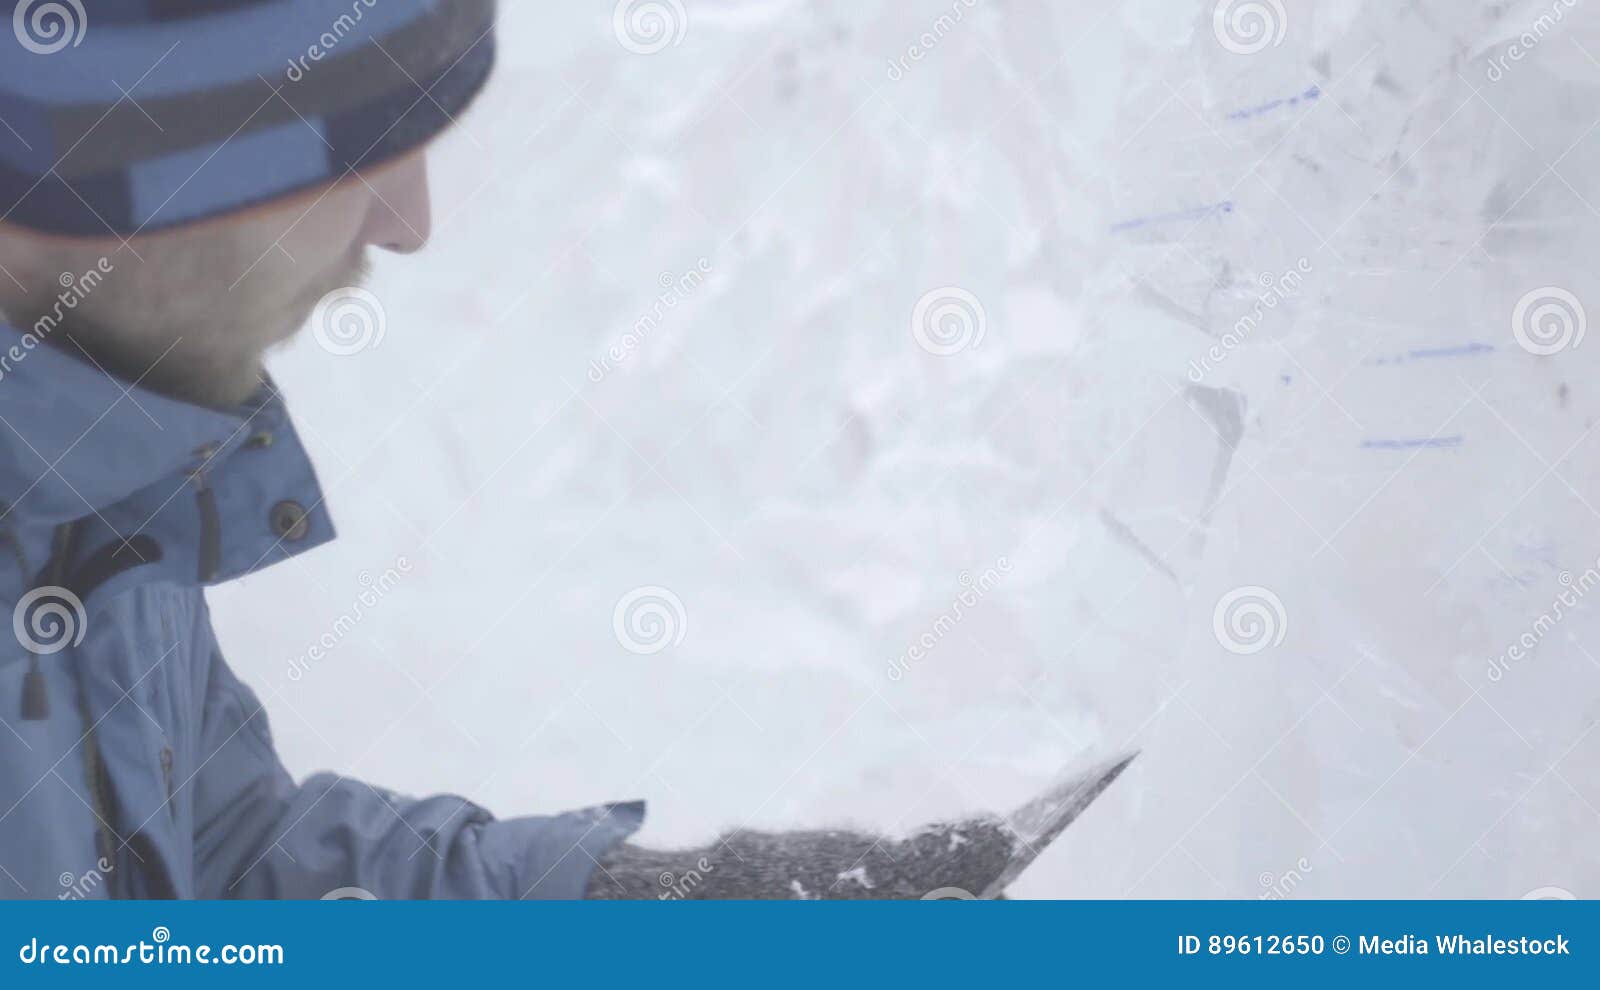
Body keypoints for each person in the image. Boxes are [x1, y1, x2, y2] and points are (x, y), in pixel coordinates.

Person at [0, 0, 1126, 900]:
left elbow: (220, 866)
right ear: (119, 174)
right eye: (357, 144)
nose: (409, 223)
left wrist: (658, 914)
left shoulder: (81, 489)